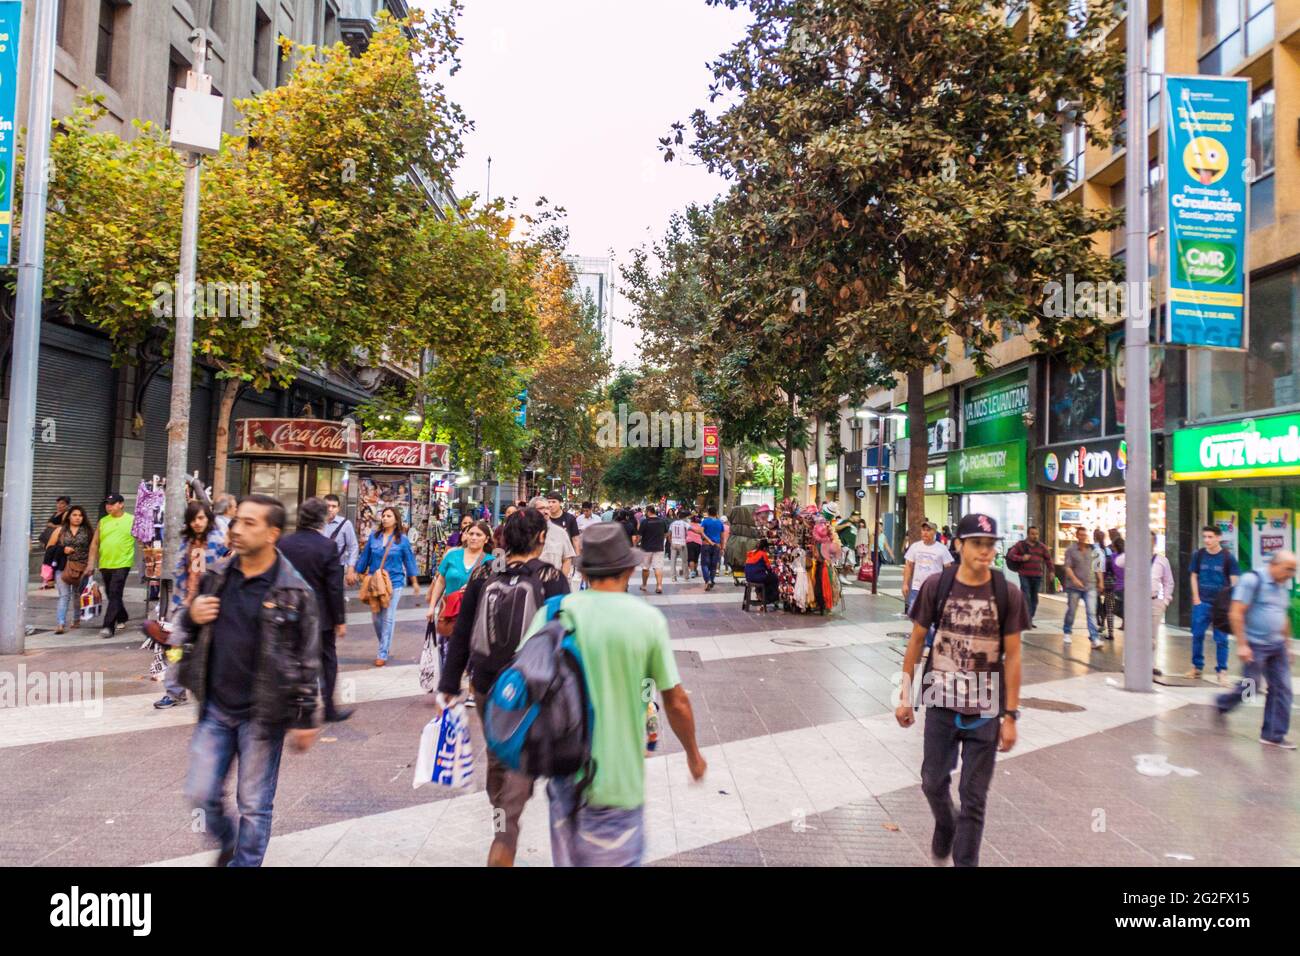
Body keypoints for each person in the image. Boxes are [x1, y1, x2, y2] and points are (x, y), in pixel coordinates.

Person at [525, 522, 706, 866]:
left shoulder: (554, 613)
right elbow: (676, 700)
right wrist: (693, 755)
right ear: (628, 568)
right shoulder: (645, 620)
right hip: (617, 779)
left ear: (586, 571)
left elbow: (524, 680)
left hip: (562, 770)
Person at [176, 494, 322, 867]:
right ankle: (228, 841)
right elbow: (184, 630)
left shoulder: (296, 591)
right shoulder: (217, 576)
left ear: (273, 533)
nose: (237, 529)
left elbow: (308, 657)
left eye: (249, 523)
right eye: (237, 520)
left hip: (262, 714)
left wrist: (307, 718)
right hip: (216, 707)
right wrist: (192, 614)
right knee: (201, 793)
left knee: (254, 804)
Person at [436, 508, 570, 866]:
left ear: (503, 538)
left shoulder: (483, 573)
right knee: (525, 754)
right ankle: (508, 827)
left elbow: (463, 631)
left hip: (486, 682)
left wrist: (449, 683)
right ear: (541, 538)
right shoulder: (552, 578)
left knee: (498, 756)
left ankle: (502, 821)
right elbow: (563, 636)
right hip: (532, 685)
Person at [896, 512, 1027, 868]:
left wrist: (1011, 716)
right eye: (977, 544)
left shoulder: (1007, 593)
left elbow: (1013, 657)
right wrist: (905, 695)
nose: (985, 551)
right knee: (932, 781)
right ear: (960, 545)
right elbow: (916, 640)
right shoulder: (937, 585)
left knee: (974, 797)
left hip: (985, 708)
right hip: (940, 701)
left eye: (990, 544)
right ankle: (944, 822)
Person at [277, 497, 350, 722]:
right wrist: (339, 619)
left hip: (289, 611)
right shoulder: (327, 546)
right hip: (321, 615)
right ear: (322, 520)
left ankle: (293, 707)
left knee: (292, 657)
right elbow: (334, 586)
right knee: (327, 659)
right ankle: (328, 707)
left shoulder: (283, 544)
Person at [153, 501, 231, 709]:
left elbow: (216, 572)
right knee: (175, 646)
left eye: (201, 518)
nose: (197, 523)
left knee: (212, 651)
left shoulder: (217, 541)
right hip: (184, 605)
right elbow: (192, 573)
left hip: (210, 605)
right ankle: (174, 692)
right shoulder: (187, 542)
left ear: (208, 519)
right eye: (193, 519)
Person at [1216, 549, 1296, 749]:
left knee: (1283, 688)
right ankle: (1225, 702)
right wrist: (1242, 644)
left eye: (1294, 571)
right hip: (1255, 644)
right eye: (1288, 569)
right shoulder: (1252, 580)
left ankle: (1273, 735)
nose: (1291, 575)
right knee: (1251, 687)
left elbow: (1282, 616)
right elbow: (1236, 613)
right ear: (1274, 565)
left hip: (1276, 646)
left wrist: (1287, 644)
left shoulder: (1281, 586)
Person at [354, 506, 420, 667]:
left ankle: (382, 652)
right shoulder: (374, 537)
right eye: (383, 515)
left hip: (395, 583)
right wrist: (357, 572)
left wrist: (415, 582)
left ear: (396, 520)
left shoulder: (402, 540)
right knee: (376, 618)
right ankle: (385, 643)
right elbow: (365, 556)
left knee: (388, 618)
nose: (384, 518)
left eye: (388, 516)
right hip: (376, 583)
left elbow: (409, 561)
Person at [1187, 525, 1241, 682]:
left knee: (1221, 639)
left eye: (1210, 537)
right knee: (1197, 635)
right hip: (1202, 603)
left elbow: (1234, 581)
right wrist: (1196, 599)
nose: (1207, 540)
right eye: (1205, 537)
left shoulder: (1227, 557)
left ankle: (1222, 671)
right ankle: (1196, 667)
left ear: (1218, 538)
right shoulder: (1199, 555)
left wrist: (1231, 604)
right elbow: (1193, 576)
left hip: (1221, 606)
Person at [87, 493, 135, 639]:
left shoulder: (132, 520)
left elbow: (142, 539)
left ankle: (108, 626)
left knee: (114, 592)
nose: (109, 506)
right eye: (107, 504)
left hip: (123, 563)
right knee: (111, 593)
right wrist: (91, 563)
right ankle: (122, 616)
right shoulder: (103, 521)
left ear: (121, 504)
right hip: (105, 563)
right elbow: (95, 543)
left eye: (112, 503)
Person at [51, 506, 92, 634]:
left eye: (80, 515)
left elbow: (93, 549)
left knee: (77, 595)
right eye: (74, 515)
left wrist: (91, 566)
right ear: (69, 516)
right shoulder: (60, 530)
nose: (77, 517)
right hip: (63, 566)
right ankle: (60, 623)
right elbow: (49, 547)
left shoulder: (88, 531)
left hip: (81, 567)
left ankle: (76, 619)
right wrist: (62, 550)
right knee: (64, 595)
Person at [1061, 525, 1103, 649]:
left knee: (1091, 612)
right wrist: (1074, 579)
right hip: (1074, 587)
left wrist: (1100, 581)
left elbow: (1097, 567)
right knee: (1072, 611)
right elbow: (1067, 567)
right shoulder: (1071, 549)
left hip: (1090, 585)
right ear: (1077, 536)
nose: (1083, 537)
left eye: (1085, 535)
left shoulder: (1093, 549)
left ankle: (1094, 638)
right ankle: (1067, 631)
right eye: (1081, 535)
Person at [1005, 526, 1052, 627]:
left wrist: (1051, 571)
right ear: (1028, 534)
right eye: (1032, 534)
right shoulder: (1020, 545)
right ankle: (1027, 621)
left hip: (1037, 576)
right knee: (1027, 597)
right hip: (1024, 575)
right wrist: (1022, 558)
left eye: (1036, 534)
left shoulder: (1042, 547)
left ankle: (1029, 618)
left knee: (1034, 599)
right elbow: (1011, 555)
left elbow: (1048, 559)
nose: (1035, 536)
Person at [902, 521, 953, 615]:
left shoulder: (941, 549)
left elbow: (948, 569)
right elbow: (908, 566)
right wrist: (905, 583)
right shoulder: (915, 547)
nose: (925, 532)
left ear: (934, 532)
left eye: (928, 530)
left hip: (934, 589)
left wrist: (946, 587)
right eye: (923, 530)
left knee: (931, 615)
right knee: (914, 614)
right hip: (917, 588)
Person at [529, 496, 576, 576]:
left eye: (547, 508)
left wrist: (562, 581)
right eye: (541, 508)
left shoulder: (561, 533)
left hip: (553, 583)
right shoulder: (524, 531)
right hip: (529, 583)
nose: (546, 511)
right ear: (531, 511)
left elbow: (567, 559)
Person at [323, 494, 360, 587]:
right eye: (327, 506)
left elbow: (353, 546)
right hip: (318, 566)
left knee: (335, 597)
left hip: (336, 567)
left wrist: (350, 569)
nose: (330, 509)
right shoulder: (317, 523)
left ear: (338, 509)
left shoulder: (345, 524)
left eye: (334, 506)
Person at [634, 505, 668, 594]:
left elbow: (640, 536)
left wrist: (636, 544)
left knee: (645, 568)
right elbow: (666, 533)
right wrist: (661, 540)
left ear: (649, 511)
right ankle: (659, 586)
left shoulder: (645, 522)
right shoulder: (662, 521)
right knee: (658, 567)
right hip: (659, 547)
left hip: (646, 548)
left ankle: (644, 585)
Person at [743, 539, 780, 607]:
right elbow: (769, 569)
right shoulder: (763, 554)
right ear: (764, 548)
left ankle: (761, 595)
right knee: (774, 578)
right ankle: (771, 598)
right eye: (767, 549)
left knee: (767, 578)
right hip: (757, 577)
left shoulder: (751, 552)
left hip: (748, 577)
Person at [1103, 536, 1126, 640]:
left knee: (1110, 610)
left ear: (1114, 547)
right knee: (1126, 609)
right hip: (1128, 588)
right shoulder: (1129, 557)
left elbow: (1105, 571)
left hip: (1113, 587)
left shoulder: (1111, 557)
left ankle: (1111, 633)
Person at [699, 506, 726, 591]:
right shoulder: (720, 523)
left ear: (708, 513)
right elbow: (722, 537)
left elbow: (701, 532)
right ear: (716, 513)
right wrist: (722, 548)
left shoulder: (705, 521)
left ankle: (708, 581)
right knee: (713, 566)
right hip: (717, 546)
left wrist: (708, 540)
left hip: (706, 545)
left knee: (704, 564)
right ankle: (711, 580)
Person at [668, 510, 690, 582]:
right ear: (684, 517)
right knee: (684, 561)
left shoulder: (673, 523)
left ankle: (673, 577)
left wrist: (670, 541)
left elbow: (669, 533)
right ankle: (686, 576)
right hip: (682, 544)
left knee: (673, 561)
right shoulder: (684, 523)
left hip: (674, 543)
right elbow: (690, 530)